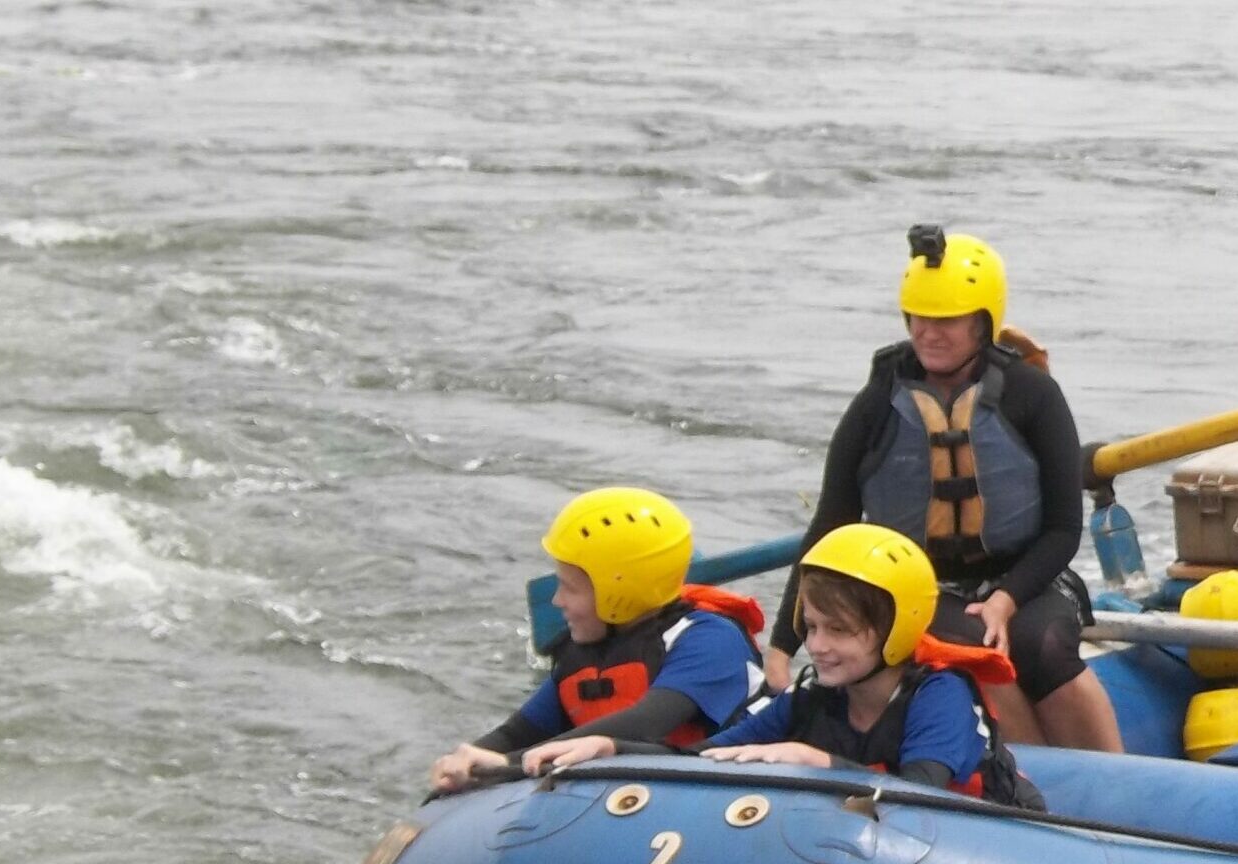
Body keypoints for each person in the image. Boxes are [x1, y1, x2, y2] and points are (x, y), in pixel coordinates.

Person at [766, 225, 1123, 753]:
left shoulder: (1032, 394)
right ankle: (1025, 788)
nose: (929, 333)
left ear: (983, 323)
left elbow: (1064, 528)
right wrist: (781, 645)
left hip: (1027, 576)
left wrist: (1005, 600)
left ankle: (1114, 782)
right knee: (971, 651)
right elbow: (831, 528)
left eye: (947, 319)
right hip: (915, 587)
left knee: (1046, 648)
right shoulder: (875, 406)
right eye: (920, 318)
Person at [528, 524, 1042, 810]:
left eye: (838, 631)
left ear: (896, 630)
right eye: (812, 627)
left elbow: (922, 792)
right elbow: (703, 758)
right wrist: (609, 747)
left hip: (995, 838)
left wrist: (815, 762)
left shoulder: (940, 694)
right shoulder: (813, 698)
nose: (817, 646)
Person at [426, 487, 763, 792]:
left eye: (570, 588)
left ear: (618, 591)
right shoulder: (583, 652)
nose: (557, 601)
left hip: (725, 795)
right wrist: (471, 761)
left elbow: (643, 724)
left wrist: (508, 766)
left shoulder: (710, 640)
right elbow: (517, 733)